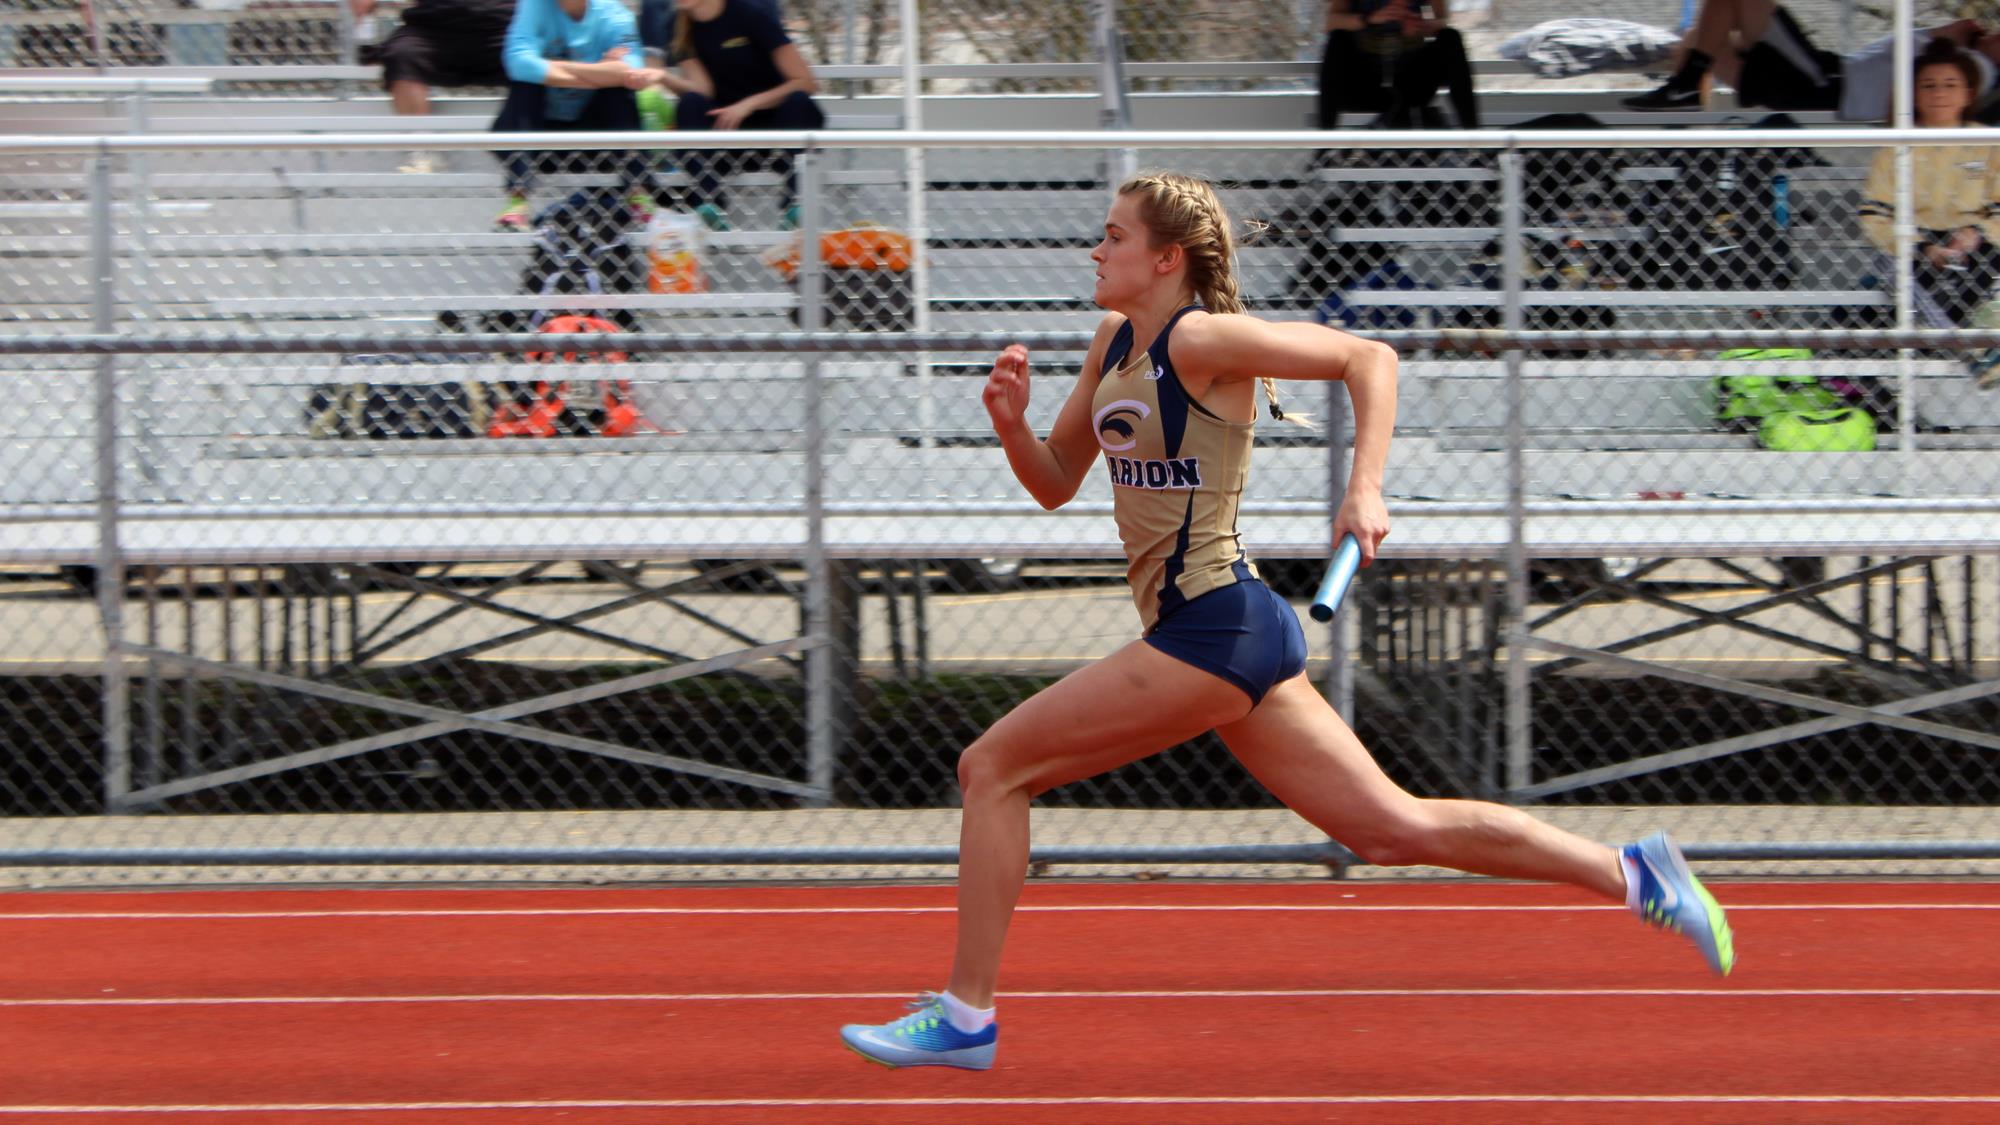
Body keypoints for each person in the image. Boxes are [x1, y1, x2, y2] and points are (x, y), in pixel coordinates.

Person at [837, 171, 1737, 1072]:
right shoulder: (1114, 341)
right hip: (1235, 631)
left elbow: (1369, 358)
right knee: (1391, 829)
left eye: (1113, 236)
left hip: (1212, 626)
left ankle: (966, 1014)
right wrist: (1009, 426)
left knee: (993, 767)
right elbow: (1054, 483)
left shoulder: (1202, 341)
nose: (1095, 250)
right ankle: (1633, 872)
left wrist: (1365, 486)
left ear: (1164, 258)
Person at [624, 0, 824, 231]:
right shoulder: (677, 24)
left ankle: (794, 207)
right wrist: (661, 76)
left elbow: (805, 81)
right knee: (689, 104)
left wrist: (749, 104)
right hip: (726, 137)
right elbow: (703, 90)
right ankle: (710, 205)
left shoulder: (751, 13)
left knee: (799, 102)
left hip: (776, 137)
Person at [1624, 1, 1999, 118]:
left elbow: (1932, 93)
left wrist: (1947, 38)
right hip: (1824, 81)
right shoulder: (1964, 55)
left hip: (1828, 85)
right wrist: (1951, 31)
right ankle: (1688, 96)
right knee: (1697, 41)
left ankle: (1687, 88)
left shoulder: (1976, 70)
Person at [1858, 39, 2000, 328]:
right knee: (1888, 274)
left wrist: (1976, 233)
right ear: (1914, 95)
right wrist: (1923, 247)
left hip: (1976, 246)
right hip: (1915, 245)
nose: (1939, 94)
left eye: (1950, 84)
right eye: (1928, 85)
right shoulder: (1895, 146)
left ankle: (1939, 337)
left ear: (1968, 93)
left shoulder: (1989, 142)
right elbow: (1874, 215)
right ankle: (1956, 344)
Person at [491, 0, 653, 231]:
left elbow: (630, 71)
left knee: (618, 92)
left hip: (596, 142)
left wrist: (552, 67)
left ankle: (638, 195)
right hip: (541, 140)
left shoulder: (614, 14)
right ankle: (518, 201)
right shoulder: (534, 6)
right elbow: (518, 62)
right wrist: (598, 72)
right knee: (525, 86)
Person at [349, 0, 513, 174]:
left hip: (500, 27)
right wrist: (365, 26)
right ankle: (422, 148)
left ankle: (536, 147)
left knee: (534, 57)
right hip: (433, 27)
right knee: (402, 54)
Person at [1318, 0, 1478, 130]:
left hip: (1411, 82)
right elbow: (1331, 22)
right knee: (1338, 38)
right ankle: (1323, 146)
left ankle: (1474, 139)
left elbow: (1442, 21)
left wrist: (1420, 26)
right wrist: (1369, 20)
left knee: (1450, 37)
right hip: (1366, 82)